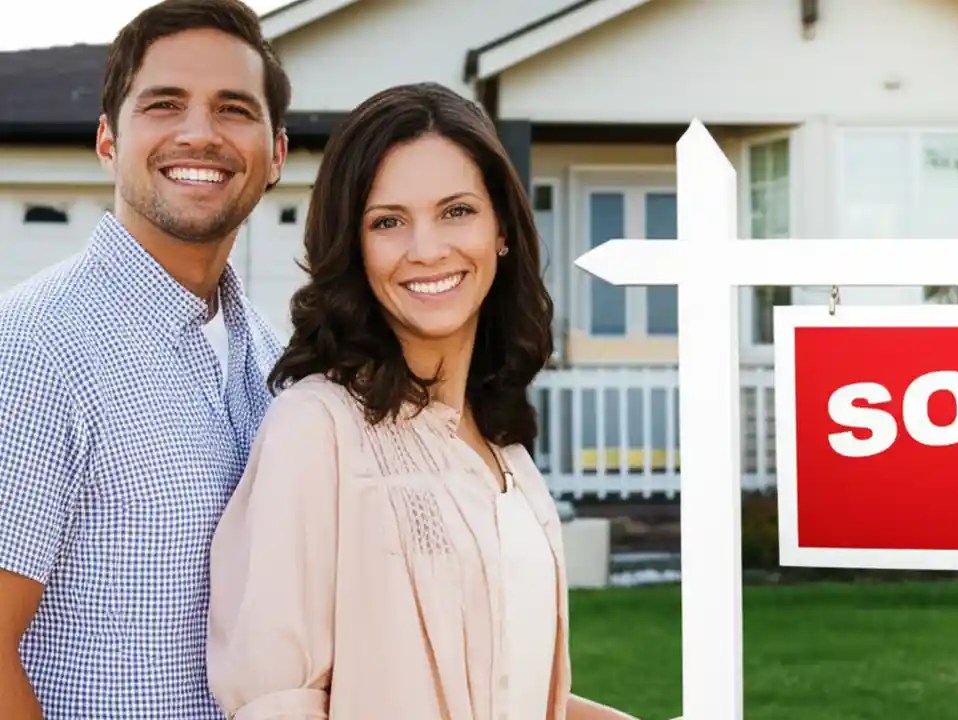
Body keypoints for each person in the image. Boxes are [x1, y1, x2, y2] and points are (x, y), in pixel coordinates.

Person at [204, 82, 636, 720]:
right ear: (354, 247)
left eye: (456, 211)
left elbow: (511, 690)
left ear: (501, 230)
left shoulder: (503, 450)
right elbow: (277, 702)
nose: (427, 249)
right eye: (388, 222)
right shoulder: (317, 428)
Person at [0, 1, 290, 718]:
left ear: (277, 153)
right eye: (165, 104)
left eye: (234, 109)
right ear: (108, 140)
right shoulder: (34, 347)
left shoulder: (270, 358)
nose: (200, 133)